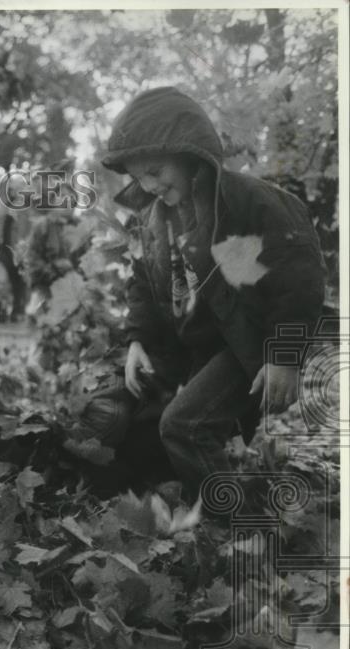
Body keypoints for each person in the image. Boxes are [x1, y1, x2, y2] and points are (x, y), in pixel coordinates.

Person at [78, 86, 325, 501]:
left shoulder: (248, 202)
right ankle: (152, 488)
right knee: (124, 412)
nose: (150, 185)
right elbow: (143, 283)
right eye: (140, 178)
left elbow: (296, 280)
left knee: (184, 425)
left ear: (189, 153)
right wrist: (138, 338)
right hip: (187, 346)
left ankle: (235, 521)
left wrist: (282, 356)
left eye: (156, 171)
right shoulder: (155, 220)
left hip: (244, 342)